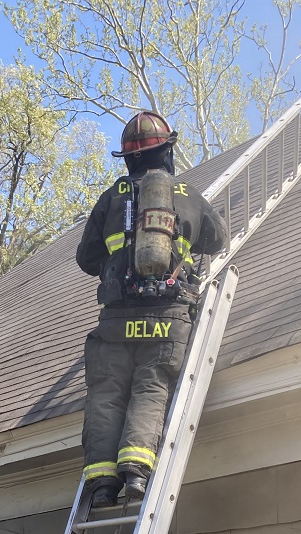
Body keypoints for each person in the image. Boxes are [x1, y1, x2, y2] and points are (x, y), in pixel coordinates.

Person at [76, 110, 227, 507]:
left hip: (115, 321)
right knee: (152, 388)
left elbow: (87, 258)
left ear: (128, 159)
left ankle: (102, 484)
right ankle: (136, 472)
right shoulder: (187, 195)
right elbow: (218, 240)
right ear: (167, 153)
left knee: (106, 394)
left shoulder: (112, 197)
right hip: (167, 317)